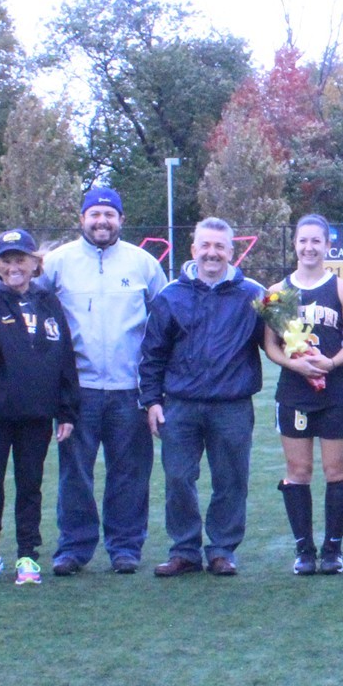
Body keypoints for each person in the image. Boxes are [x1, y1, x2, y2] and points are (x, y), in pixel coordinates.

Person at [35, 186, 169, 575]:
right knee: (74, 471)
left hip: (130, 391)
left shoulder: (143, 264)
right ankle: (74, 547)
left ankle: (125, 546)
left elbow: (164, 323)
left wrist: (156, 388)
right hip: (78, 392)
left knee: (129, 471)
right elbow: (28, 305)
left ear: (121, 220)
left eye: (110, 215)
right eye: (94, 214)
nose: (102, 221)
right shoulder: (57, 263)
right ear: (82, 219)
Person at [0, 230, 79, 586]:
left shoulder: (49, 302)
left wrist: (67, 410)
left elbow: (64, 357)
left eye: (20, 259)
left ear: (35, 262)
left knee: (30, 487)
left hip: (36, 415)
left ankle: (28, 556)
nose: (13, 267)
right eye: (6, 260)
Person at [140, 218, 266, 578]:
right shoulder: (170, 296)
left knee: (231, 480)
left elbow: (281, 340)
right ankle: (184, 550)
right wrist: (152, 400)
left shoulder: (254, 295)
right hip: (180, 404)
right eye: (205, 246)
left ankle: (222, 550)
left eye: (220, 247)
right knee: (178, 478)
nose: (212, 253)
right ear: (193, 250)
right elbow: (152, 354)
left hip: (233, 405)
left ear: (231, 251)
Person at [266, 214, 343, 575]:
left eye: (316, 241)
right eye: (303, 241)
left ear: (327, 245)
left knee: (336, 470)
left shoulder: (342, 290)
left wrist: (330, 363)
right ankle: (304, 549)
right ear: (295, 244)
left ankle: (333, 549)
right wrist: (296, 366)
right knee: (299, 470)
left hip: (334, 392)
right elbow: (271, 346)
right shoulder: (277, 292)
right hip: (294, 393)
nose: (309, 247)